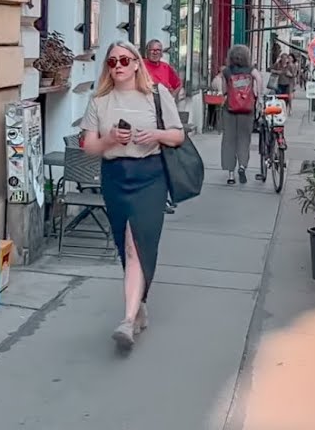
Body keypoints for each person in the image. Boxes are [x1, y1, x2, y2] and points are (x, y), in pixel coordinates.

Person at [80, 41, 185, 350]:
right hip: (116, 177)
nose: (118, 67)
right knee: (124, 245)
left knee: (136, 244)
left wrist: (156, 135)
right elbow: (88, 148)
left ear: (137, 63)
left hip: (150, 175)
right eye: (112, 62)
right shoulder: (100, 101)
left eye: (124, 60)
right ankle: (138, 307)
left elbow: (178, 136)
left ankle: (126, 320)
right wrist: (110, 139)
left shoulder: (156, 95)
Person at [211, 44, 262, 185]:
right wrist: (258, 96)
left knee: (229, 140)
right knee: (244, 139)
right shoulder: (251, 70)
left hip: (230, 109)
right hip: (247, 110)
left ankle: (231, 174)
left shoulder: (227, 71)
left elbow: (224, 90)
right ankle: (242, 166)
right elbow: (259, 79)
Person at [143, 39, 183, 214]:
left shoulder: (166, 68)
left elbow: (177, 84)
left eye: (158, 50)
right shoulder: (141, 66)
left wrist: (170, 100)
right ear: (146, 51)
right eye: (152, 50)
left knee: (165, 158)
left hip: (164, 119)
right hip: (147, 116)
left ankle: (164, 196)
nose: (155, 53)